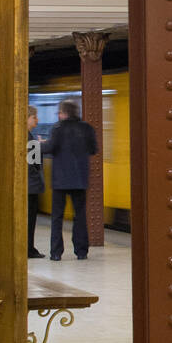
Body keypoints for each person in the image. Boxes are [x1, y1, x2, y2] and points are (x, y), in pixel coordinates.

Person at [44, 99, 97, 261]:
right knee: (80, 215)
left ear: (64, 113)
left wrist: (40, 144)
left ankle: (56, 253)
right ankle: (81, 251)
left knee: (57, 217)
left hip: (60, 180)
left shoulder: (58, 128)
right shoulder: (87, 128)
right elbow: (94, 149)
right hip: (80, 179)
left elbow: (49, 148)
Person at [27, 107, 45, 258]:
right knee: (30, 220)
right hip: (31, 187)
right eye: (34, 117)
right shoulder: (30, 139)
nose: (36, 120)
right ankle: (29, 249)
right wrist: (39, 146)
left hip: (25, 186)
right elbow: (37, 164)